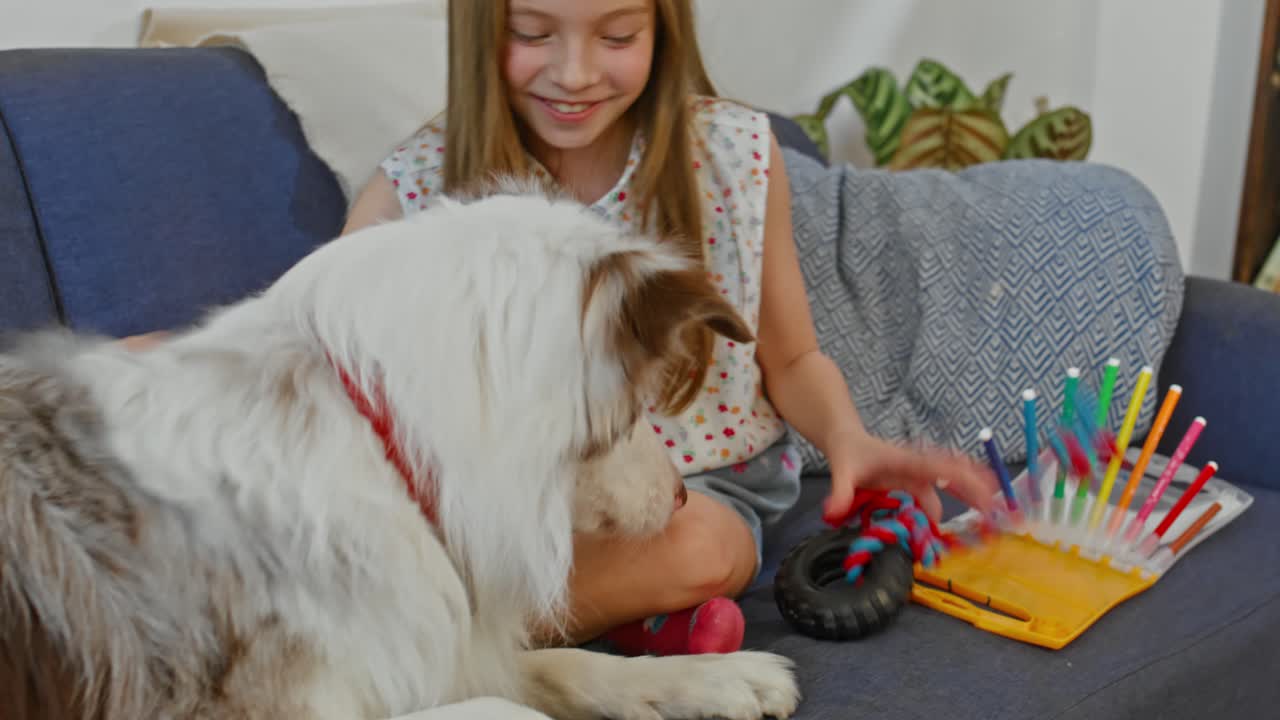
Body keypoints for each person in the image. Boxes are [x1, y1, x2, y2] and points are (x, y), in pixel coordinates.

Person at [335, 0, 999, 656]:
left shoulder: (734, 155)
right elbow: (335, 386)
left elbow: (792, 359)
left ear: (663, 29)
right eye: (531, 33)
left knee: (710, 550)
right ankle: (605, 622)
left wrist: (848, 436)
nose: (574, 73)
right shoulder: (414, 190)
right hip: (513, 508)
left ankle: (425, 635)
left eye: (618, 36)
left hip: (698, 489)